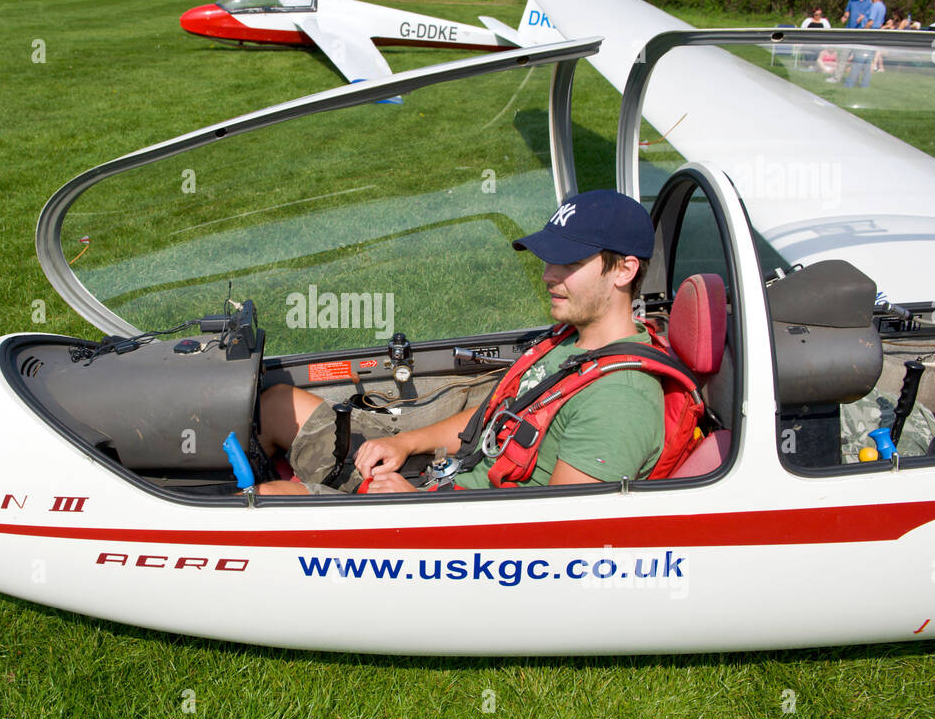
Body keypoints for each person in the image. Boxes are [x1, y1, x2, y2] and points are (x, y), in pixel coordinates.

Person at [255, 190, 664, 495]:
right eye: (549, 259)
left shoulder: (620, 400)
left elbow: (558, 536)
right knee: (276, 406)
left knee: (267, 503)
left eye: (569, 263)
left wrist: (412, 506)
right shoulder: (566, 344)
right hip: (441, 476)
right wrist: (404, 442)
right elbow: (491, 420)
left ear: (624, 270)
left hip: (448, 526)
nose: (547, 275)